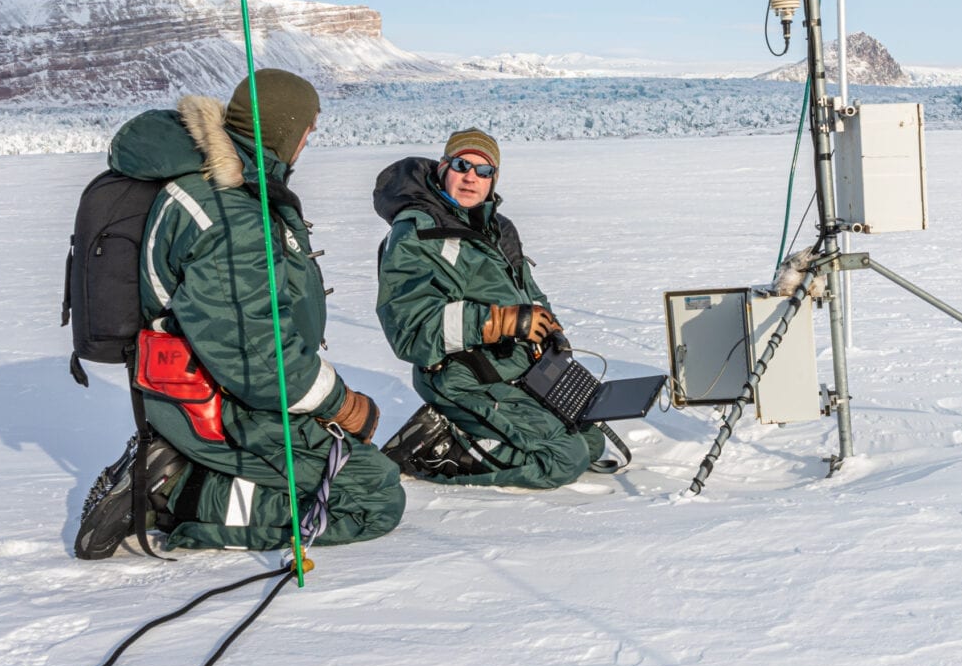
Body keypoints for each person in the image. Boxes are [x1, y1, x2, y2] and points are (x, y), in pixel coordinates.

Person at [75, 69, 404, 557]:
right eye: (309, 128)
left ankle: (188, 469)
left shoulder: (226, 188)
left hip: (222, 389)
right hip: (226, 404)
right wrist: (339, 403)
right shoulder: (233, 214)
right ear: (287, 129)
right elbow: (255, 356)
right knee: (371, 496)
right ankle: (175, 495)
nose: (308, 139)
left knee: (351, 464)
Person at [373, 128, 609, 488]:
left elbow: (528, 291)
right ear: (443, 168)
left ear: (493, 180)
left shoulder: (497, 228)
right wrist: (500, 322)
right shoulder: (418, 232)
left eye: (483, 171)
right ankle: (436, 450)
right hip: (462, 375)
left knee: (591, 441)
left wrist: (551, 330)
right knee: (564, 459)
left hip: (513, 367)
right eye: (462, 165)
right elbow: (411, 330)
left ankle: (480, 434)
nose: (471, 177)